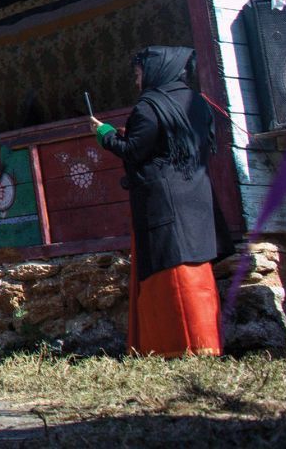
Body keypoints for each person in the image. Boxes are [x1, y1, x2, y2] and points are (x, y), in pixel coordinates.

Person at [91, 45, 223, 356]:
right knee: (196, 266)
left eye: (139, 75)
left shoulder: (148, 106)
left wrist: (106, 134)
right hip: (196, 196)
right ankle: (208, 342)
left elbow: (135, 150)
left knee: (171, 273)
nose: (137, 82)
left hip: (163, 202)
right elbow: (169, 142)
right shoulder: (197, 102)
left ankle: (177, 344)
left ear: (154, 73)